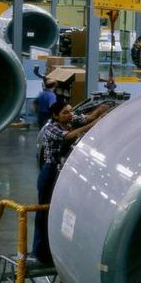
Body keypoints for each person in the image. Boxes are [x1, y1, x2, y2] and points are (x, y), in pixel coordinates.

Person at [31, 99, 109, 265]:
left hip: (63, 171)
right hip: (50, 172)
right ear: (55, 115)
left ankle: (55, 250)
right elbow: (70, 136)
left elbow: (86, 118)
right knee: (44, 211)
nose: (70, 114)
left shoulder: (70, 120)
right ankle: (40, 252)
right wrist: (96, 122)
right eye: (65, 112)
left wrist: (100, 111)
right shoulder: (51, 128)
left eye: (70, 111)